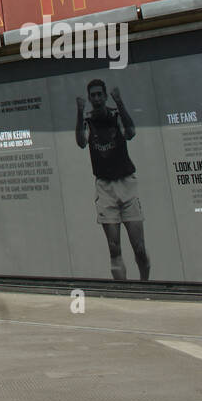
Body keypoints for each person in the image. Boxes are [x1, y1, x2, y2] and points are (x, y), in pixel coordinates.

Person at [76, 79, 150, 281]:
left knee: (139, 247)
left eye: (100, 94)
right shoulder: (88, 119)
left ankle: (146, 286)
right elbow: (81, 142)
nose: (97, 98)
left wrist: (120, 102)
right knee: (114, 248)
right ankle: (124, 291)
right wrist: (79, 111)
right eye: (94, 95)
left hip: (126, 182)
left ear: (105, 95)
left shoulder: (115, 114)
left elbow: (131, 133)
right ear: (90, 98)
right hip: (105, 187)